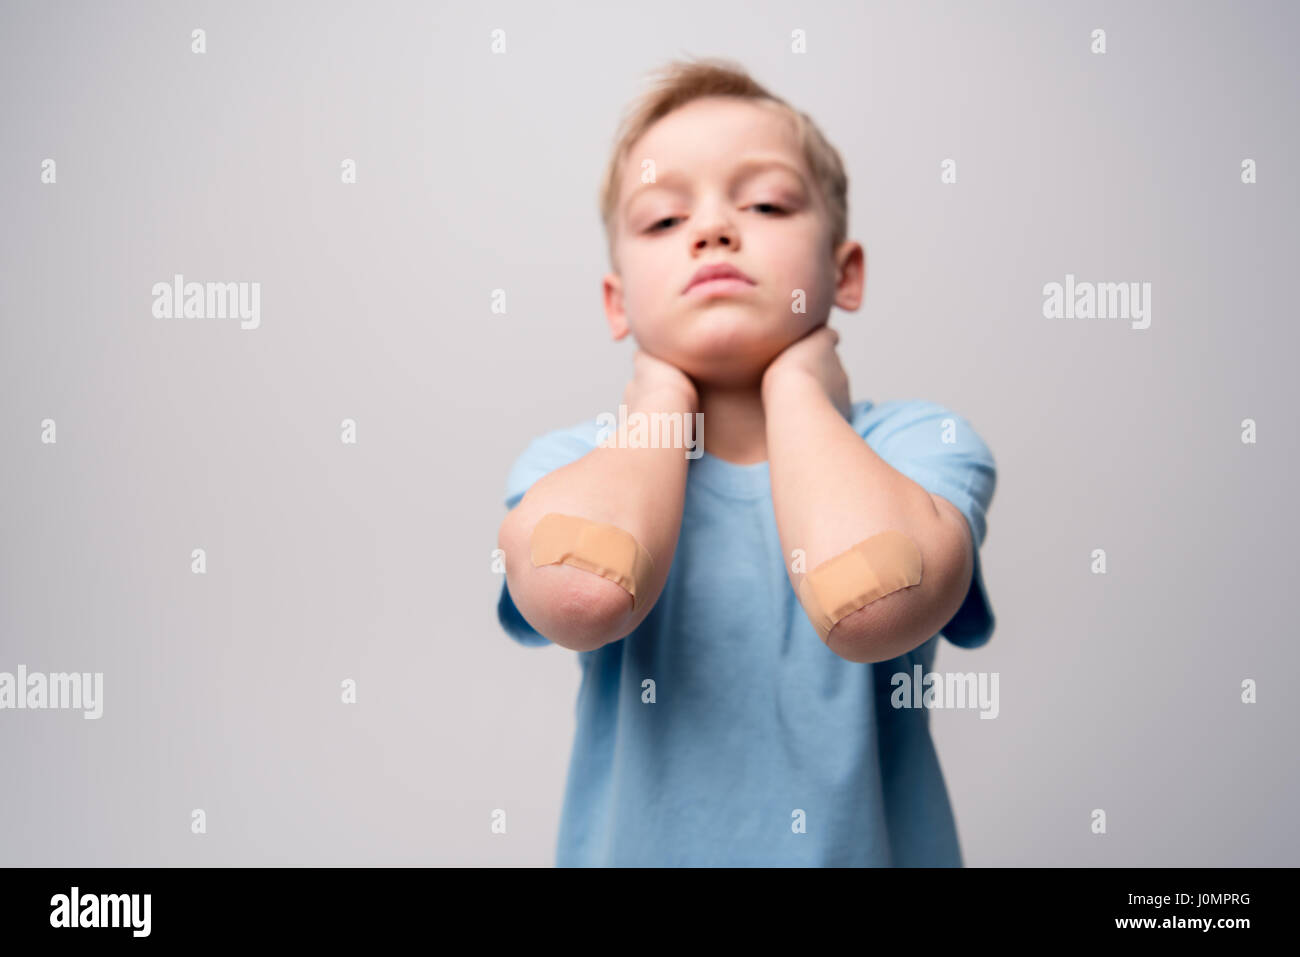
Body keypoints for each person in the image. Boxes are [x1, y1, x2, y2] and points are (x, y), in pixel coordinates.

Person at [495, 56, 997, 866]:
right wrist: (660, 402)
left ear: (845, 272)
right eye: (663, 220)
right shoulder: (573, 466)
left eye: (764, 203)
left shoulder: (921, 448)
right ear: (619, 302)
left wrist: (796, 386)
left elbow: (869, 603)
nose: (713, 230)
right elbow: (580, 589)